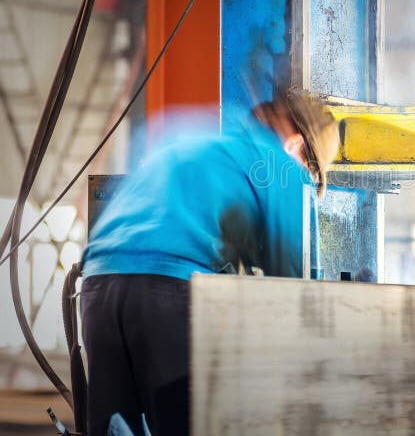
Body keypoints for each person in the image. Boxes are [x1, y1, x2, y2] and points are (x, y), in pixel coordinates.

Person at [79, 90, 339, 435]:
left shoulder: (196, 140)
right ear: (297, 145)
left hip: (98, 288)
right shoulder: (277, 162)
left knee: (115, 428)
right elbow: (294, 286)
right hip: (166, 296)